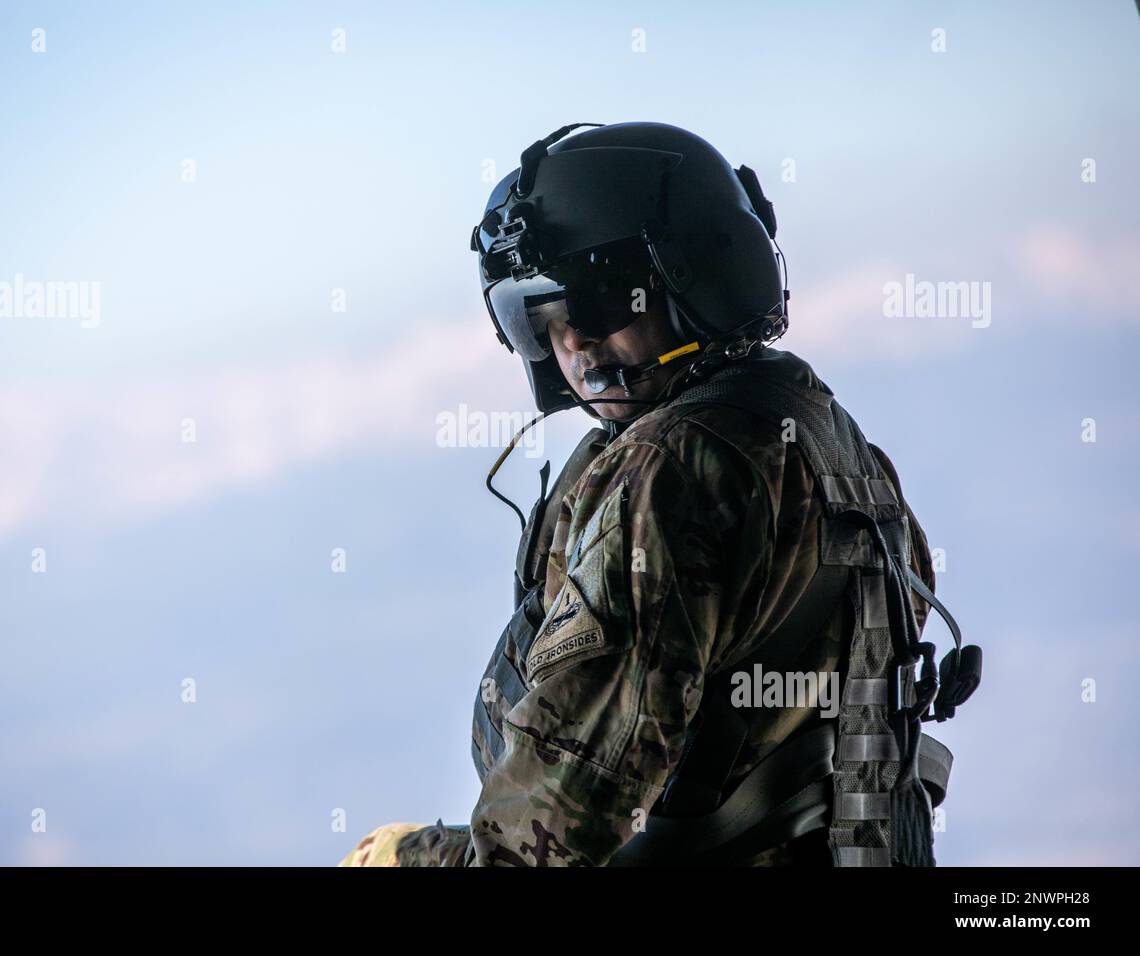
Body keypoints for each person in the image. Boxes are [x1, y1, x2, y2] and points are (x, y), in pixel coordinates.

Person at [340, 122, 980, 868]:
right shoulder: (826, 437)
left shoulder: (670, 469)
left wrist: (406, 856)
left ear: (697, 279)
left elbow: (550, 834)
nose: (571, 343)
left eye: (600, 303)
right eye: (541, 318)